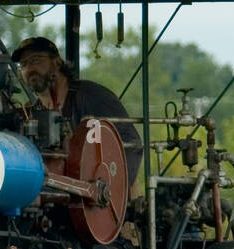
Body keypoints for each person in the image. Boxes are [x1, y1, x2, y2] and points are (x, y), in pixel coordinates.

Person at [11, 36, 143, 183]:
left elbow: (131, 145)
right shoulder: (31, 112)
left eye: (36, 60)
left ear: (57, 62)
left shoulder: (92, 97)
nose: (30, 68)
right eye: (23, 64)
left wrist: (108, 189)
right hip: (51, 195)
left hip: (97, 199)